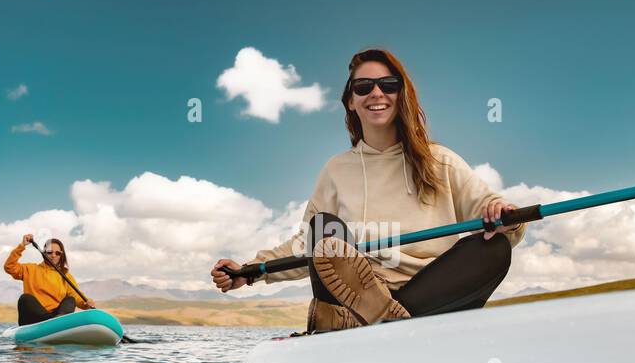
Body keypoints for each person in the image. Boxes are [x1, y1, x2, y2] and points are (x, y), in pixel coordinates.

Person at [211, 47, 525, 331]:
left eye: (388, 85)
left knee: (494, 248)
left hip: (428, 292)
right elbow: (305, 244)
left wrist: (504, 216)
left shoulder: (440, 160)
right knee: (323, 228)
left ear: (402, 94)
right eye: (363, 87)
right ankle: (383, 320)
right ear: (351, 100)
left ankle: (371, 322)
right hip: (355, 294)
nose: (377, 93)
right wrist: (250, 271)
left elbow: (493, 209)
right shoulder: (336, 169)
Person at [4, 235, 93, 325]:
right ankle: (53, 322)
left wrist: (86, 303)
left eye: (57, 253)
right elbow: (9, 267)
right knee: (25, 298)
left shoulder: (65, 275)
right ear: (44, 253)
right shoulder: (30, 269)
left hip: (56, 317)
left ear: (61, 256)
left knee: (71, 299)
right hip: (33, 319)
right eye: (50, 252)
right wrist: (22, 246)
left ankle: (57, 321)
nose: (53, 255)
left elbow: (76, 296)